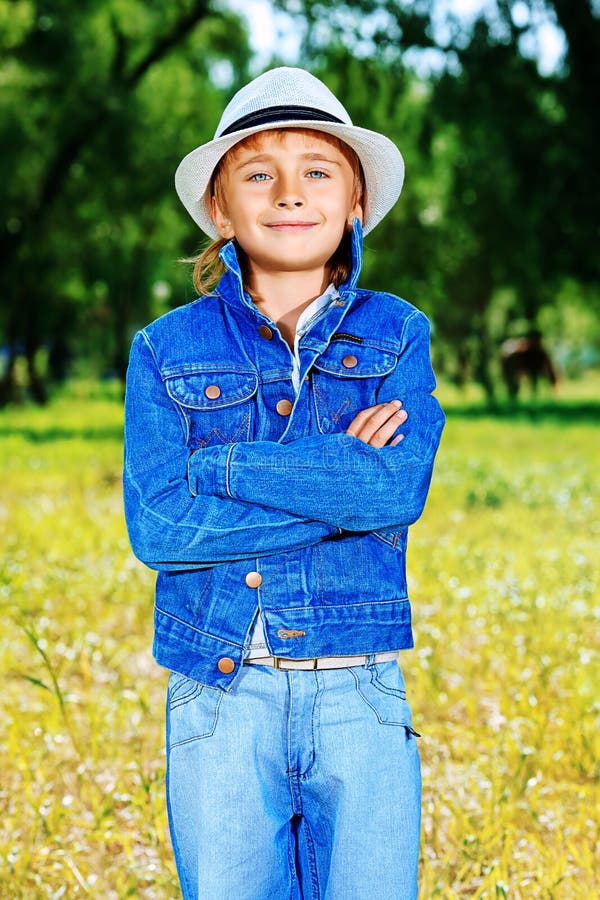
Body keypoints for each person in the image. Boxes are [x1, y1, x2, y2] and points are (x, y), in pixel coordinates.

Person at [123, 66, 445, 900]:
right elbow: (159, 528)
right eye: (259, 173)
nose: (289, 193)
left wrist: (223, 468)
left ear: (355, 202)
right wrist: (339, 491)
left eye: (318, 171)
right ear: (222, 210)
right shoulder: (163, 350)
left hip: (360, 691)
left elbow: (394, 492)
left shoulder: (398, 334)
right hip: (222, 695)